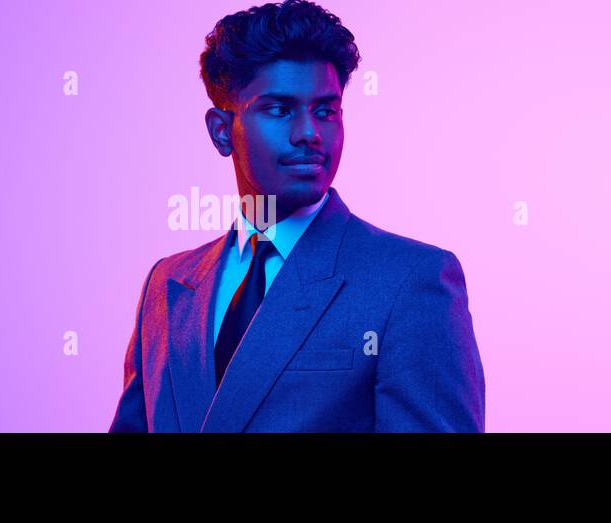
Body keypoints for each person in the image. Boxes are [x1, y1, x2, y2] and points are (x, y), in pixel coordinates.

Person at [110, 0, 484, 432]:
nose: (309, 133)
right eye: (279, 109)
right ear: (220, 131)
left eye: (326, 111)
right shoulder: (167, 285)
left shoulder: (411, 280)